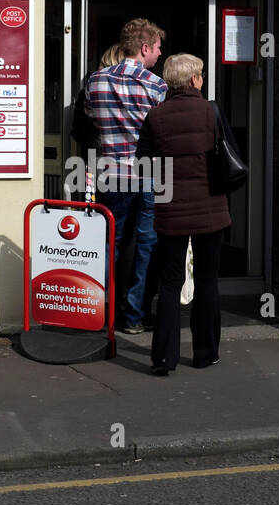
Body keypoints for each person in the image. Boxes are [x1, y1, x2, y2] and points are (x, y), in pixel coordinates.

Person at [136, 53, 229, 375]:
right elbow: (229, 155)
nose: (202, 80)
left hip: (171, 208)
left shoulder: (155, 116)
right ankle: (205, 353)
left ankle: (164, 357)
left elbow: (144, 163)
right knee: (206, 280)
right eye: (200, 75)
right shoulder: (211, 111)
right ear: (193, 80)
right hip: (210, 207)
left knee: (170, 282)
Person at [84, 19, 166, 334]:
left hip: (110, 173)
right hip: (147, 174)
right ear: (144, 48)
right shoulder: (157, 85)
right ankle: (132, 316)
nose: (159, 54)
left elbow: (92, 119)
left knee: (109, 244)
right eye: (157, 47)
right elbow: (161, 131)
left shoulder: (96, 80)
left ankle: (99, 313)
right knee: (146, 243)